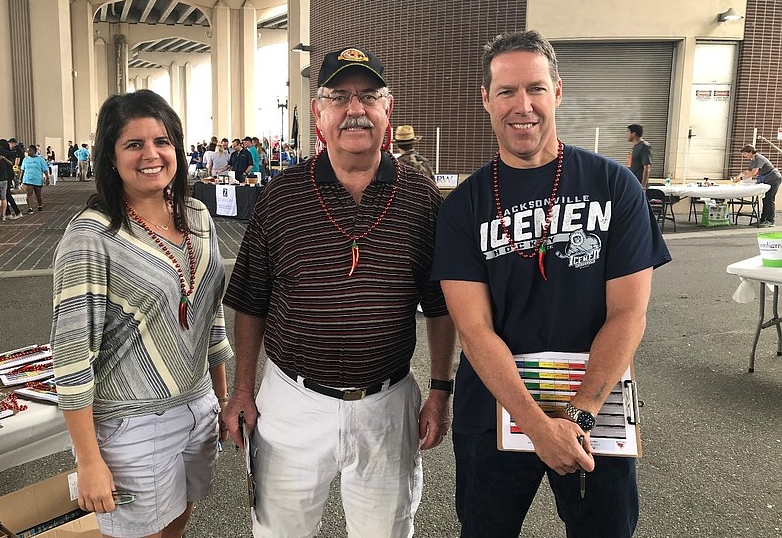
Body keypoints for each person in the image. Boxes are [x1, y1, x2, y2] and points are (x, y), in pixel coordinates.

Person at [431, 30, 672, 538]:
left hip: (595, 406)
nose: (523, 106)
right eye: (506, 91)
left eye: (536, 88)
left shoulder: (614, 186)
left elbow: (629, 313)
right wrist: (538, 426)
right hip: (494, 409)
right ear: (486, 99)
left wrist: (578, 416)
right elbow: (474, 329)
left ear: (557, 92)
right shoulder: (464, 206)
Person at [223, 47, 456, 538]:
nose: (355, 109)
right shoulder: (281, 196)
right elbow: (250, 301)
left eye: (369, 96)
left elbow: (440, 306)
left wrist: (440, 389)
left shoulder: (421, 198)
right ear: (318, 112)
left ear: (387, 109)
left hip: (387, 405)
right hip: (292, 402)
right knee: (279, 532)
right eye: (339, 97)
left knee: (385, 531)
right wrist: (242, 389)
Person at [51, 89, 233, 538]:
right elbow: (71, 356)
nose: (151, 154)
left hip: (198, 405)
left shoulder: (196, 215)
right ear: (111, 158)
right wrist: (89, 461)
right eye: (134, 144)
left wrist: (221, 398)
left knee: (178, 523)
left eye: (162, 141)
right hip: (130, 422)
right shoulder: (92, 237)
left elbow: (210, 315)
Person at [734, 144, 781, 227]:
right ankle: (763, 220)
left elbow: (754, 172)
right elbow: (748, 171)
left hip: (773, 178)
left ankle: (770, 221)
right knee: (765, 200)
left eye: (745, 154)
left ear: (750, 152)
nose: (744, 156)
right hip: (766, 179)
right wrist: (737, 177)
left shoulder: (759, 158)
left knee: (769, 199)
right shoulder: (753, 160)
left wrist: (741, 179)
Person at [21, 145, 50, 214]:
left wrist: (47, 177)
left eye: (30, 151)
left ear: (34, 151)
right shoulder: (25, 159)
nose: (28, 152)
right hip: (28, 179)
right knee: (29, 194)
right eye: (27, 151)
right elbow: (22, 170)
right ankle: (30, 208)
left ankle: (40, 205)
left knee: (38, 194)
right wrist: (20, 179)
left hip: (37, 179)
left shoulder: (40, 159)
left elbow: (45, 169)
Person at [0, 139, 23, 219]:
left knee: (7, 194)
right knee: (5, 194)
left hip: (7, 175)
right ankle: (8, 213)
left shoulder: (6, 153)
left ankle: (17, 212)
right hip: (7, 174)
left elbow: (11, 163)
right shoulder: (8, 152)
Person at [627, 124, 651, 188]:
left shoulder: (644, 146)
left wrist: (643, 186)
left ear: (633, 134)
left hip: (638, 184)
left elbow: (647, 167)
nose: (627, 135)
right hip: (632, 181)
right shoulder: (635, 147)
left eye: (628, 132)